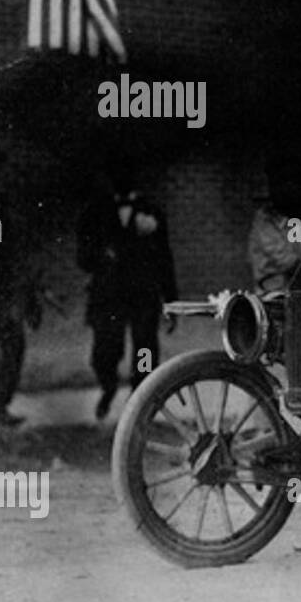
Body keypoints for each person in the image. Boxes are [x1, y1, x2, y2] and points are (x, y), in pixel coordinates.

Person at [76, 157, 178, 420]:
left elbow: (164, 258)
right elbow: (82, 258)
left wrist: (171, 301)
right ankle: (108, 387)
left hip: (143, 295)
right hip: (108, 296)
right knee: (104, 352)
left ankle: (138, 402)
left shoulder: (151, 210)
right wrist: (102, 255)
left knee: (144, 350)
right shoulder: (94, 212)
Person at [249, 154, 301, 293]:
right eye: (285, 183)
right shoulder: (265, 221)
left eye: (298, 181)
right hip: (274, 294)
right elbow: (290, 262)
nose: (292, 189)